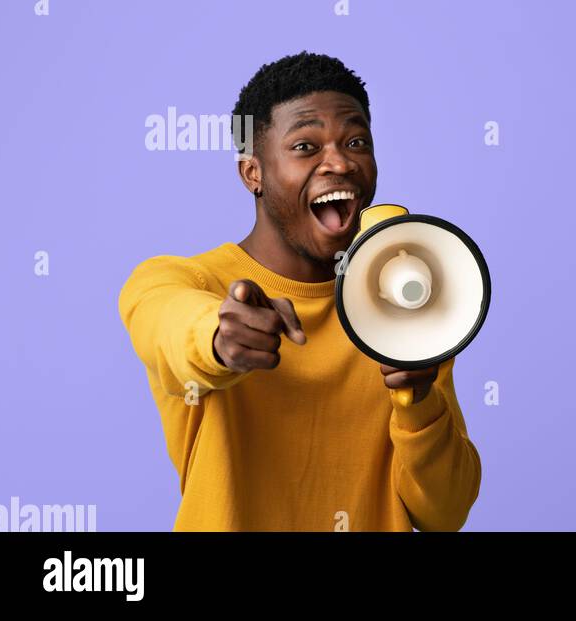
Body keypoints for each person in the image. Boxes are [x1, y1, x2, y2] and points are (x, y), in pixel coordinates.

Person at [118, 51, 481, 531]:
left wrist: (419, 400)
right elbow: (168, 323)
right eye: (306, 147)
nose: (341, 162)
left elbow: (444, 513)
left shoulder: (406, 307)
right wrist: (219, 339)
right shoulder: (180, 280)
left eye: (356, 141)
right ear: (253, 174)